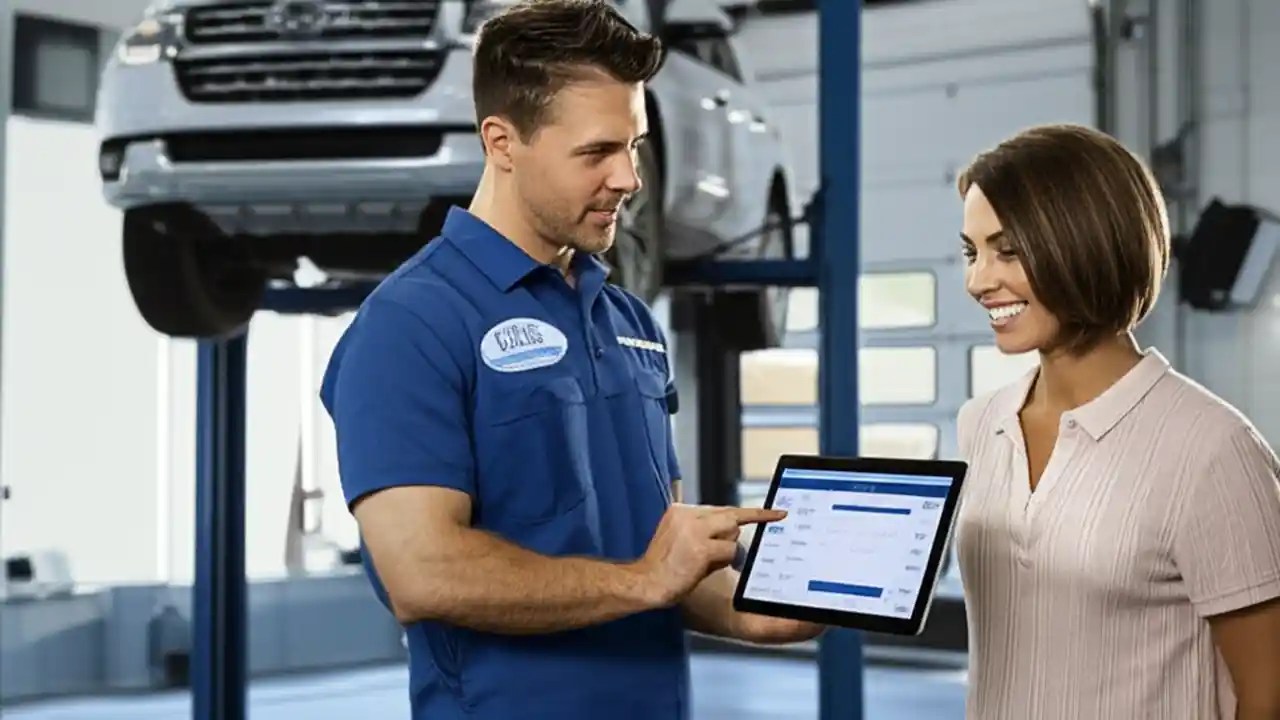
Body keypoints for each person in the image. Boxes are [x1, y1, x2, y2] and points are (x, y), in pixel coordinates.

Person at [318, 2, 822, 718]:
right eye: (596, 153)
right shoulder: (411, 322)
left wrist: (752, 611)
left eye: (635, 145)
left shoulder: (630, 321)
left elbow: (651, 559)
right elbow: (421, 573)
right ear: (502, 142)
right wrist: (649, 580)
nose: (629, 179)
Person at [954, 123, 1280, 719]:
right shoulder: (982, 424)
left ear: (1085, 244)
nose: (978, 280)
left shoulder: (1214, 449)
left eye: (1009, 250)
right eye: (971, 252)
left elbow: (1268, 695)